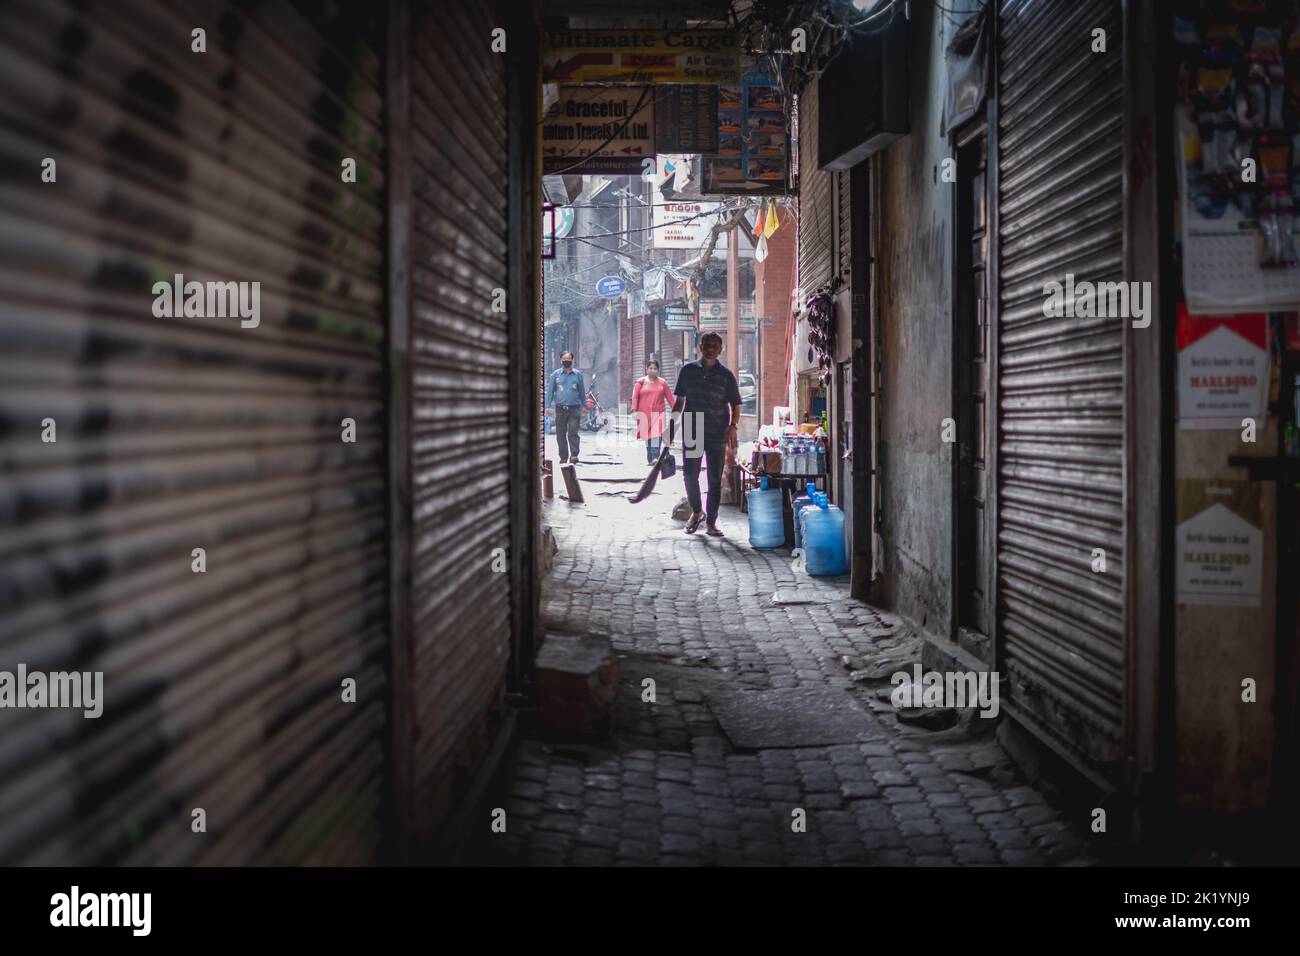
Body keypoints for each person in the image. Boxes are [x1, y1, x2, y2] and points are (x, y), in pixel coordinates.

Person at [671, 332, 742, 537]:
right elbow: (680, 401)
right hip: (693, 427)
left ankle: (711, 522)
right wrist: (671, 426)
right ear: (700, 347)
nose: (711, 349)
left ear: (721, 350)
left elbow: (735, 404)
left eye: (715, 346)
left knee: (714, 479)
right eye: (707, 345)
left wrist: (733, 426)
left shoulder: (727, 376)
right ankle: (696, 512)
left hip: (717, 431)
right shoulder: (687, 371)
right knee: (690, 475)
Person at [631, 360, 674, 464]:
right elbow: (635, 397)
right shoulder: (640, 383)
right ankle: (651, 458)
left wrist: (677, 409)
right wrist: (634, 411)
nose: (653, 370)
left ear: (658, 370)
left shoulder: (663, 383)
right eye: (650, 368)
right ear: (646, 369)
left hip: (658, 413)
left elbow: (670, 399)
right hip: (644, 414)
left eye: (655, 368)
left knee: (656, 435)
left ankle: (655, 457)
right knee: (647, 437)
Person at [544, 351, 584, 464]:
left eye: (569, 359)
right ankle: (563, 456)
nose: (567, 361)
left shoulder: (578, 375)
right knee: (560, 434)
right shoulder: (555, 375)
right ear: (561, 360)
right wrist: (547, 406)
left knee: (573, 432)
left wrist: (584, 405)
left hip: (574, 408)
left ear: (572, 359)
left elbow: (582, 391)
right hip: (560, 409)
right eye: (564, 359)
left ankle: (574, 455)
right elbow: (550, 392)